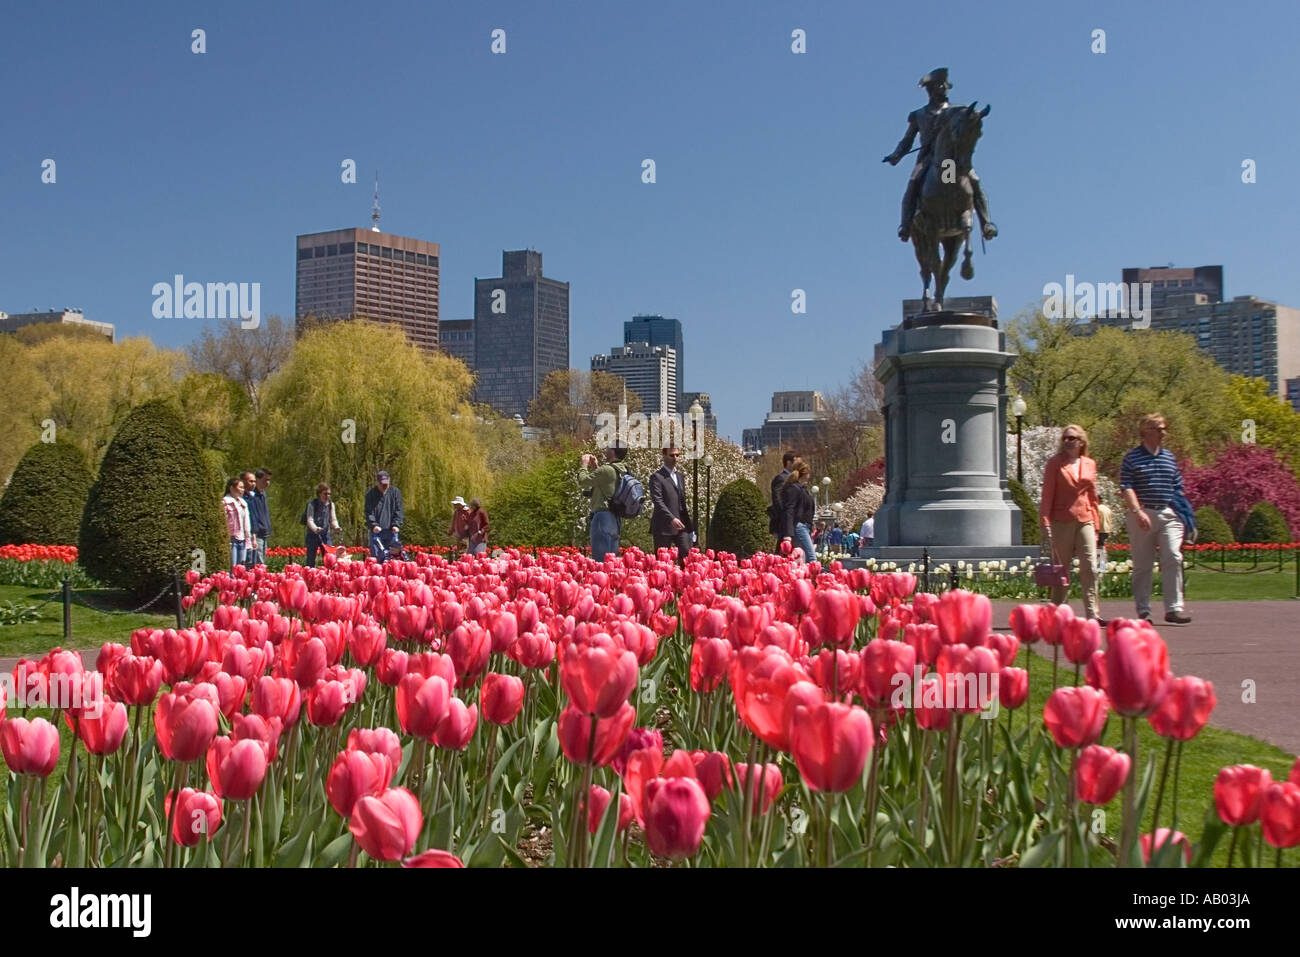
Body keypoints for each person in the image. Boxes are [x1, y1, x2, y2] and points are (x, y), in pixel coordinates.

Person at [883, 67, 996, 244]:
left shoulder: (957, 111)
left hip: (950, 160)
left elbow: (969, 121)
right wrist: (896, 155)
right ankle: (905, 225)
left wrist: (978, 115)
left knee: (974, 180)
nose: (943, 89)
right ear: (931, 90)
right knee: (913, 183)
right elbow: (907, 140)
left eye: (944, 86)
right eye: (939, 86)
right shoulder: (918, 115)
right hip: (927, 159)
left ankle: (986, 223)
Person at [1121, 413, 1191, 624]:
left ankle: (1173, 609)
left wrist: (1180, 511)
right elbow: (1126, 486)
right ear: (1145, 432)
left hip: (1168, 514)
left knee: (1172, 556)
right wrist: (1137, 511)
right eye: (1159, 429)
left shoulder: (1169, 457)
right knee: (1143, 565)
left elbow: (1178, 485)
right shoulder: (1132, 458)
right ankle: (1144, 611)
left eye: (1164, 428)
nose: (1163, 432)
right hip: (1142, 513)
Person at [1039, 424, 1102, 623]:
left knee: (1090, 566)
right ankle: (1058, 613)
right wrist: (1045, 522)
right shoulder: (1055, 464)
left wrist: (1097, 523)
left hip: (1086, 518)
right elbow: (1047, 494)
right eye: (1065, 438)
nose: (1067, 442)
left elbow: (1093, 496)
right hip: (1061, 519)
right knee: (1061, 568)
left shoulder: (1089, 463)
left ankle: (1093, 613)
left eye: (1072, 438)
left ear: (1081, 441)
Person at [579, 444, 629, 562]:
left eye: (607, 449)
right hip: (615, 518)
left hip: (602, 517)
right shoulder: (623, 469)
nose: (605, 451)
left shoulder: (607, 470)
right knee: (611, 560)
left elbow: (583, 481)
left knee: (600, 560)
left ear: (612, 452)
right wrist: (596, 467)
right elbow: (606, 484)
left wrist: (584, 465)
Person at [650, 445, 694, 564]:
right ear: (664, 456)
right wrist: (671, 518)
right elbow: (658, 501)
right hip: (663, 526)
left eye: (677, 455)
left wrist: (690, 529)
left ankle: (685, 581)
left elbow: (682, 503)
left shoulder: (680, 477)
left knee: (686, 556)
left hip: (681, 526)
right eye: (671, 455)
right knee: (662, 562)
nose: (675, 458)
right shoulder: (657, 477)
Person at [780, 460, 817, 566]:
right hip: (799, 526)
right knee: (812, 558)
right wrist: (788, 534)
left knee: (802, 559)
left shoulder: (802, 489)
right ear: (805, 474)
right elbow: (789, 510)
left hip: (804, 526)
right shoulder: (794, 488)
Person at [364, 470, 404, 562]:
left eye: (386, 484)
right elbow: (369, 512)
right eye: (382, 484)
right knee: (378, 559)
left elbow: (399, 510)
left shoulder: (395, 493)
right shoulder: (371, 494)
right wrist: (373, 525)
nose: (384, 486)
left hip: (392, 531)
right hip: (377, 532)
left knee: (393, 559)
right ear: (377, 483)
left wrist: (396, 524)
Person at [304, 483, 341, 568]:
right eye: (325, 493)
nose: (327, 496)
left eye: (329, 494)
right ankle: (310, 576)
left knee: (329, 558)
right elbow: (309, 519)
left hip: (325, 535)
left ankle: (329, 577)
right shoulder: (312, 504)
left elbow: (333, 519)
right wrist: (315, 528)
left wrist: (336, 526)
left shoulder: (331, 505)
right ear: (319, 494)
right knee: (310, 559)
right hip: (312, 535)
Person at [242, 468, 271, 566]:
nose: (268, 483)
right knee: (258, 563)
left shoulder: (263, 494)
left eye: (269, 480)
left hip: (264, 532)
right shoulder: (251, 496)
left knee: (262, 561)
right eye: (265, 480)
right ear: (258, 479)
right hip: (256, 533)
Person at [222, 477, 251, 570]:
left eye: (243, 488)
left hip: (243, 538)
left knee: (241, 568)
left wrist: (248, 538)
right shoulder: (225, 502)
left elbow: (246, 522)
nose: (243, 490)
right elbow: (223, 521)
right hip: (232, 538)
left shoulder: (243, 503)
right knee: (233, 567)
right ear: (232, 488)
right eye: (240, 487)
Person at [769, 452, 796, 550]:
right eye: (796, 462)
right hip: (784, 522)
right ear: (789, 462)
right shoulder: (781, 478)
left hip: (792, 521)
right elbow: (777, 499)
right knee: (784, 550)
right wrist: (785, 516)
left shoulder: (795, 479)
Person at [1095, 502, 1113, 574]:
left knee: (1099, 547)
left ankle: (1101, 565)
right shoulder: (1107, 509)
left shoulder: (1098, 508)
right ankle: (1103, 564)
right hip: (1106, 529)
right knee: (1102, 546)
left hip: (1100, 529)